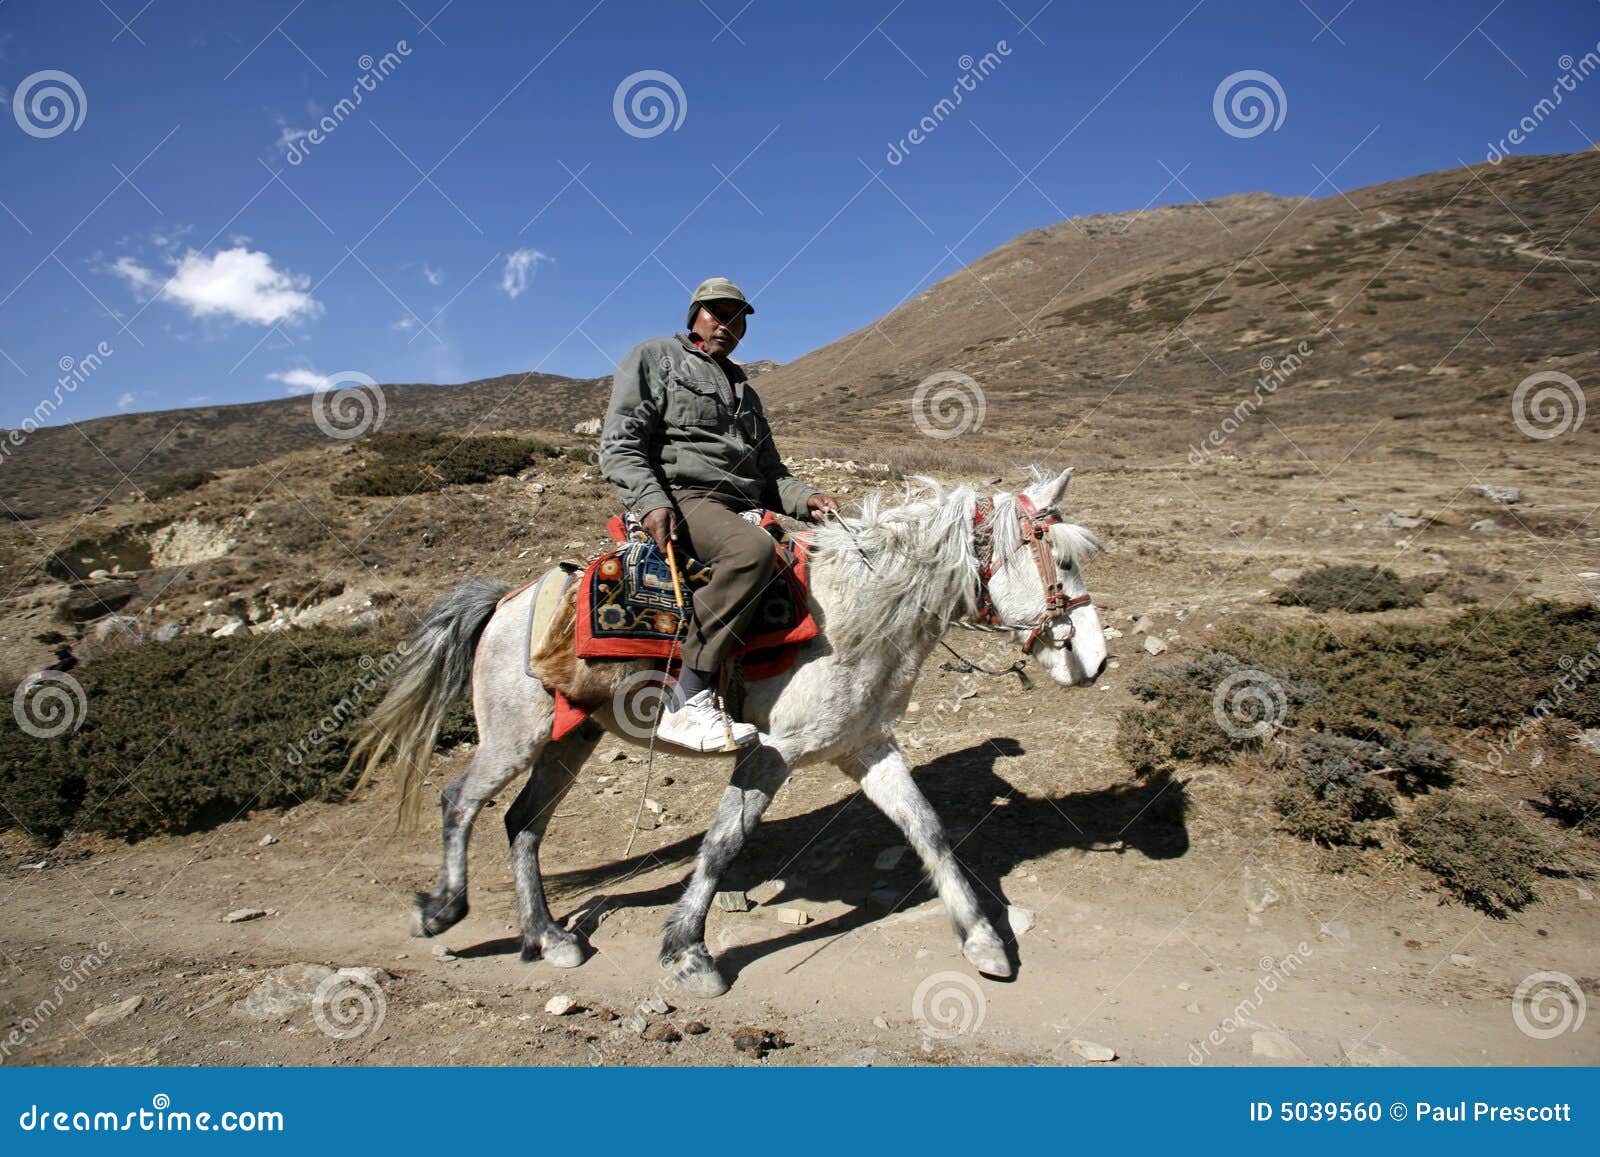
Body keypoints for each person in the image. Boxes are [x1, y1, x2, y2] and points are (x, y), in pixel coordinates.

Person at [599, 277, 837, 752]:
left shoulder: (746, 390)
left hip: (742, 505)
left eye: (737, 318)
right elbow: (620, 443)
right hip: (685, 497)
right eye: (717, 314)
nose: (727, 325)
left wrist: (807, 499)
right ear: (695, 317)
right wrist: (651, 501)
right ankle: (689, 698)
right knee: (751, 553)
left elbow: (771, 474)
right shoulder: (656, 357)